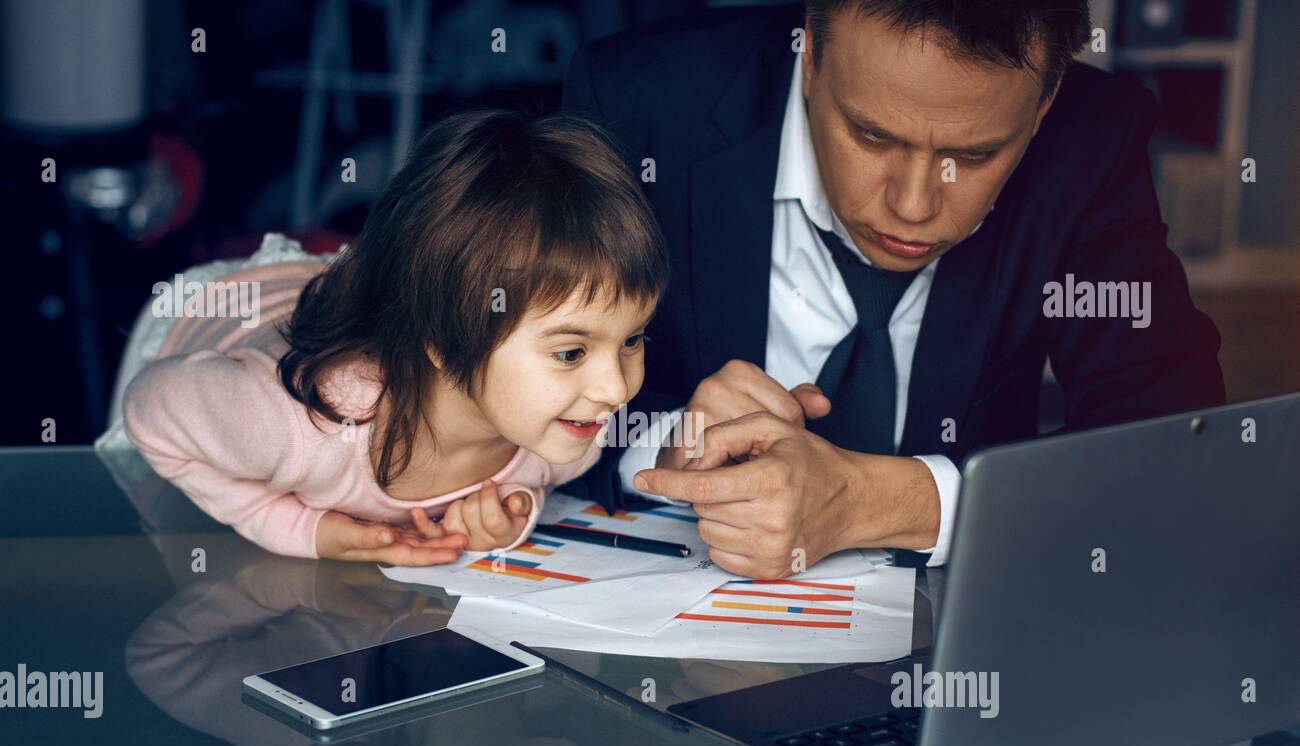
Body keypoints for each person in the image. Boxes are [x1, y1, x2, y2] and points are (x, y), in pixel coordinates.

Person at [557, 0, 1225, 577]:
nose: (912, 207)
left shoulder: (1090, 143)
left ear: (1045, 103)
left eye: (973, 155)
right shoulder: (638, 104)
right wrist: (667, 441)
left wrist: (875, 501)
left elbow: (1171, 452)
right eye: (872, 135)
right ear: (810, 56)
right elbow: (503, 375)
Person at [122, 109, 669, 564]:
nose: (616, 389)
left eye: (631, 339)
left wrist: (514, 508)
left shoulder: (573, 430)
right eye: (571, 352)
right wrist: (300, 528)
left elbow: (533, 477)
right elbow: (149, 412)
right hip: (218, 307)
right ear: (442, 335)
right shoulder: (296, 420)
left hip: (367, 288)